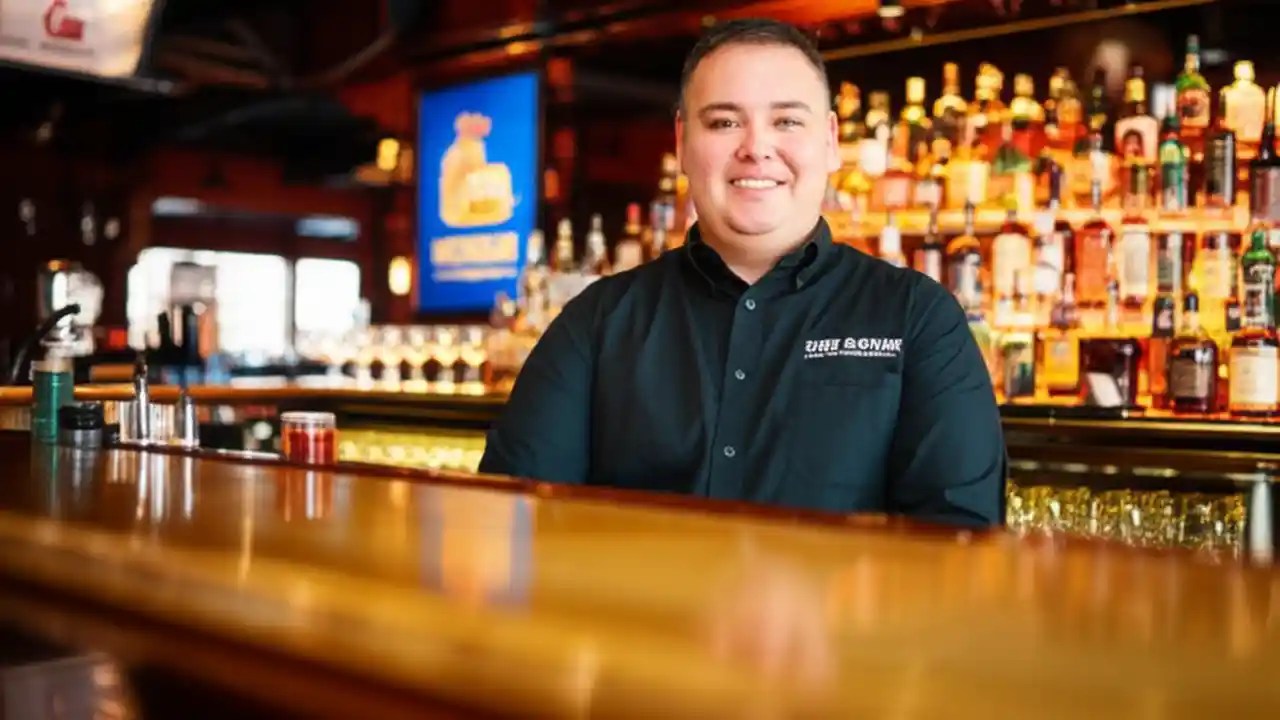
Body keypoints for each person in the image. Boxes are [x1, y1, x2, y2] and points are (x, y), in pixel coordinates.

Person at [480, 18, 1006, 527]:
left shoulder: (918, 319)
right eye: (724, 122)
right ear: (682, 142)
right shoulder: (595, 324)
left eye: (787, 121)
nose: (756, 148)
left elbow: (960, 545)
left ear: (830, 142)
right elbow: (510, 528)